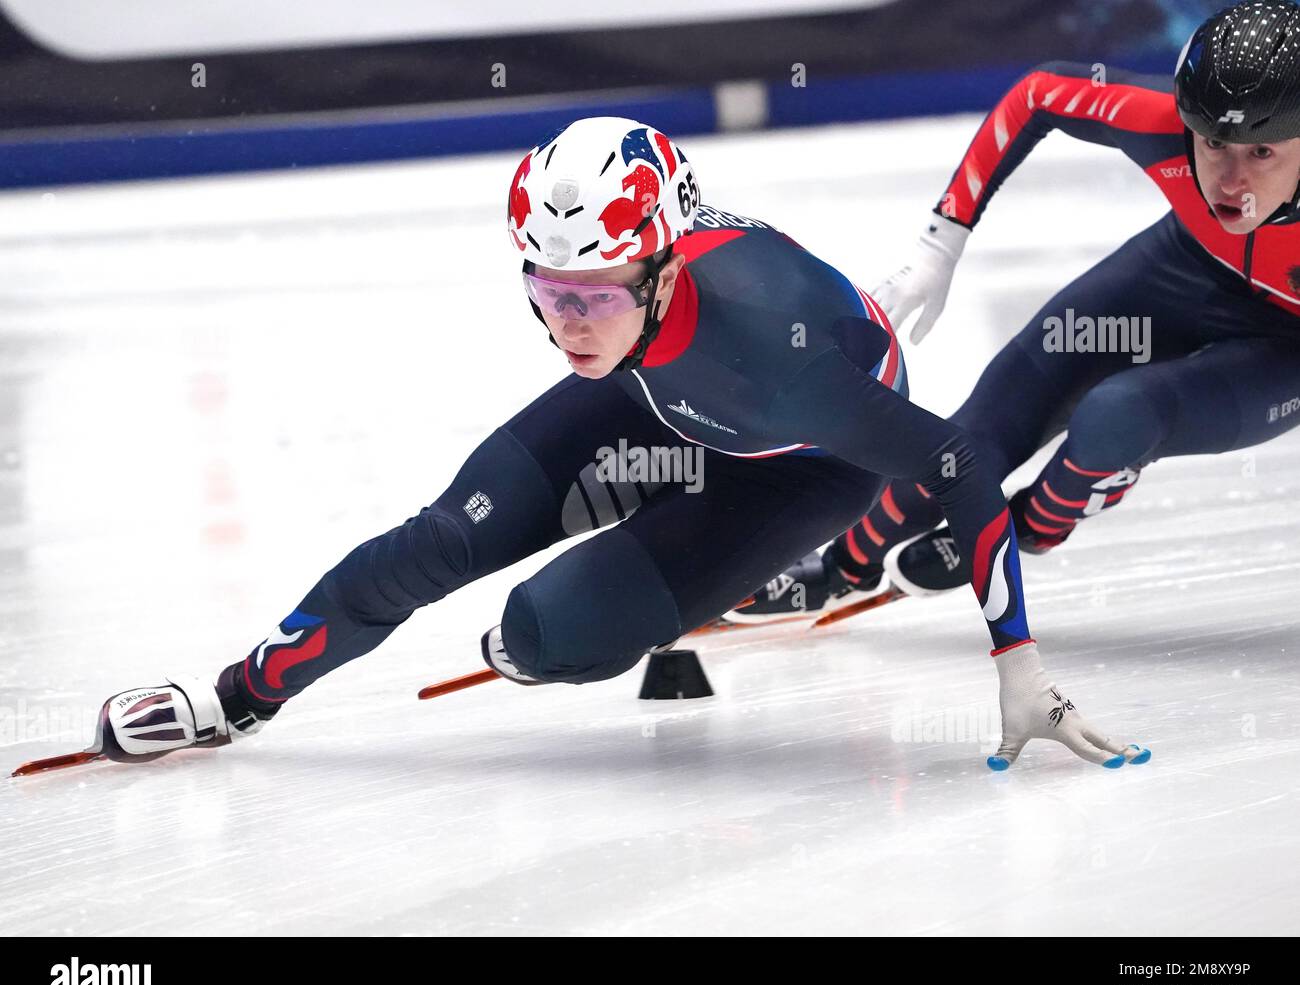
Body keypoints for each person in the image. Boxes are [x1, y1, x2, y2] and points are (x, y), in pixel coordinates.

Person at [88, 116, 1148, 773]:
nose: (568, 325)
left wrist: (1018, 660)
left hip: (795, 456)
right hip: (664, 393)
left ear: (664, 269)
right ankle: (235, 699)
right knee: (437, 543)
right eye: (546, 294)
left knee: (539, 636)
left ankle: (714, 567)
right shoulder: (624, 309)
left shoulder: (779, 358)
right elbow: (603, 325)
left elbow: (956, 463)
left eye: (592, 296)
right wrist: (232, 698)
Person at [735, 0, 1300, 619]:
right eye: (1215, 142)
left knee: (1120, 416)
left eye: (1263, 153)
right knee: (966, 443)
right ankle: (843, 564)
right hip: (1184, 269)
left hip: (1284, 346)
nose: (1229, 179)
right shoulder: (1161, 125)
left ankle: (1026, 526)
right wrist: (940, 243)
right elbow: (1039, 92)